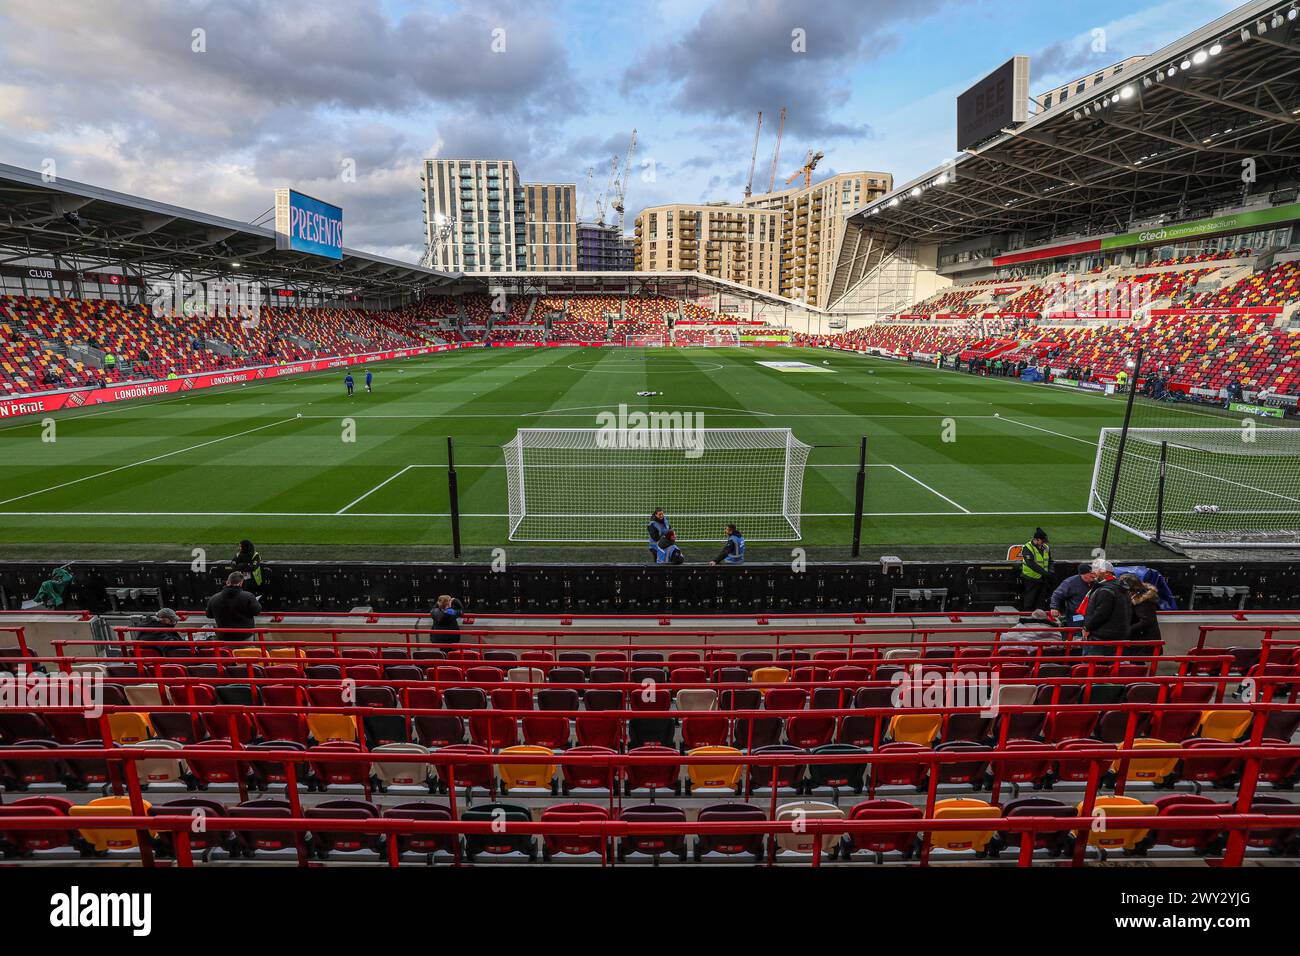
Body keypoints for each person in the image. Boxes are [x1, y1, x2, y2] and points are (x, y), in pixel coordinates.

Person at [1079, 559, 1131, 656]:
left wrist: (1087, 628)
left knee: (1092, 667)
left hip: (1100, 637)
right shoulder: (1120, 588)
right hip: (1117, 635)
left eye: (1096, 570)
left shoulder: (1105, 590)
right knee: (1113, 668)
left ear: (1106, 572)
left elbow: (1101, 613)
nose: (1093, 573)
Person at [205, 571, 262, 642]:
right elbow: (257, 611)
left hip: (224, 636)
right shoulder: (248, 596)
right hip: (245, 636)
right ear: (241, 583)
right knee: (247, 652)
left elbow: (209, 615)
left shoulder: (214, 598)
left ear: (227, 582)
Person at [1120, 572, 1162, 649]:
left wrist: (1128, 629)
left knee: (1137, 660)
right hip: (1142, 637)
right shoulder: (1139, 597)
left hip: (1144, 638)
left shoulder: (1144, 601)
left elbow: (1146, 621)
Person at [1019, 528, 1052, 611]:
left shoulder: (1046, 547)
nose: (1044, 542)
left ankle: (1039, 615)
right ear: (1036, 539)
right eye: (1042, 540)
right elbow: (1031, 564)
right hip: (1030, 578)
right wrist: (1045, 573)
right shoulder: (1027, 548)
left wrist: (1051, 570)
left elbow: (1050, 560)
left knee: (1041, 600)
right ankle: (1027, 615)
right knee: (1029, 599)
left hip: (1042, 578)